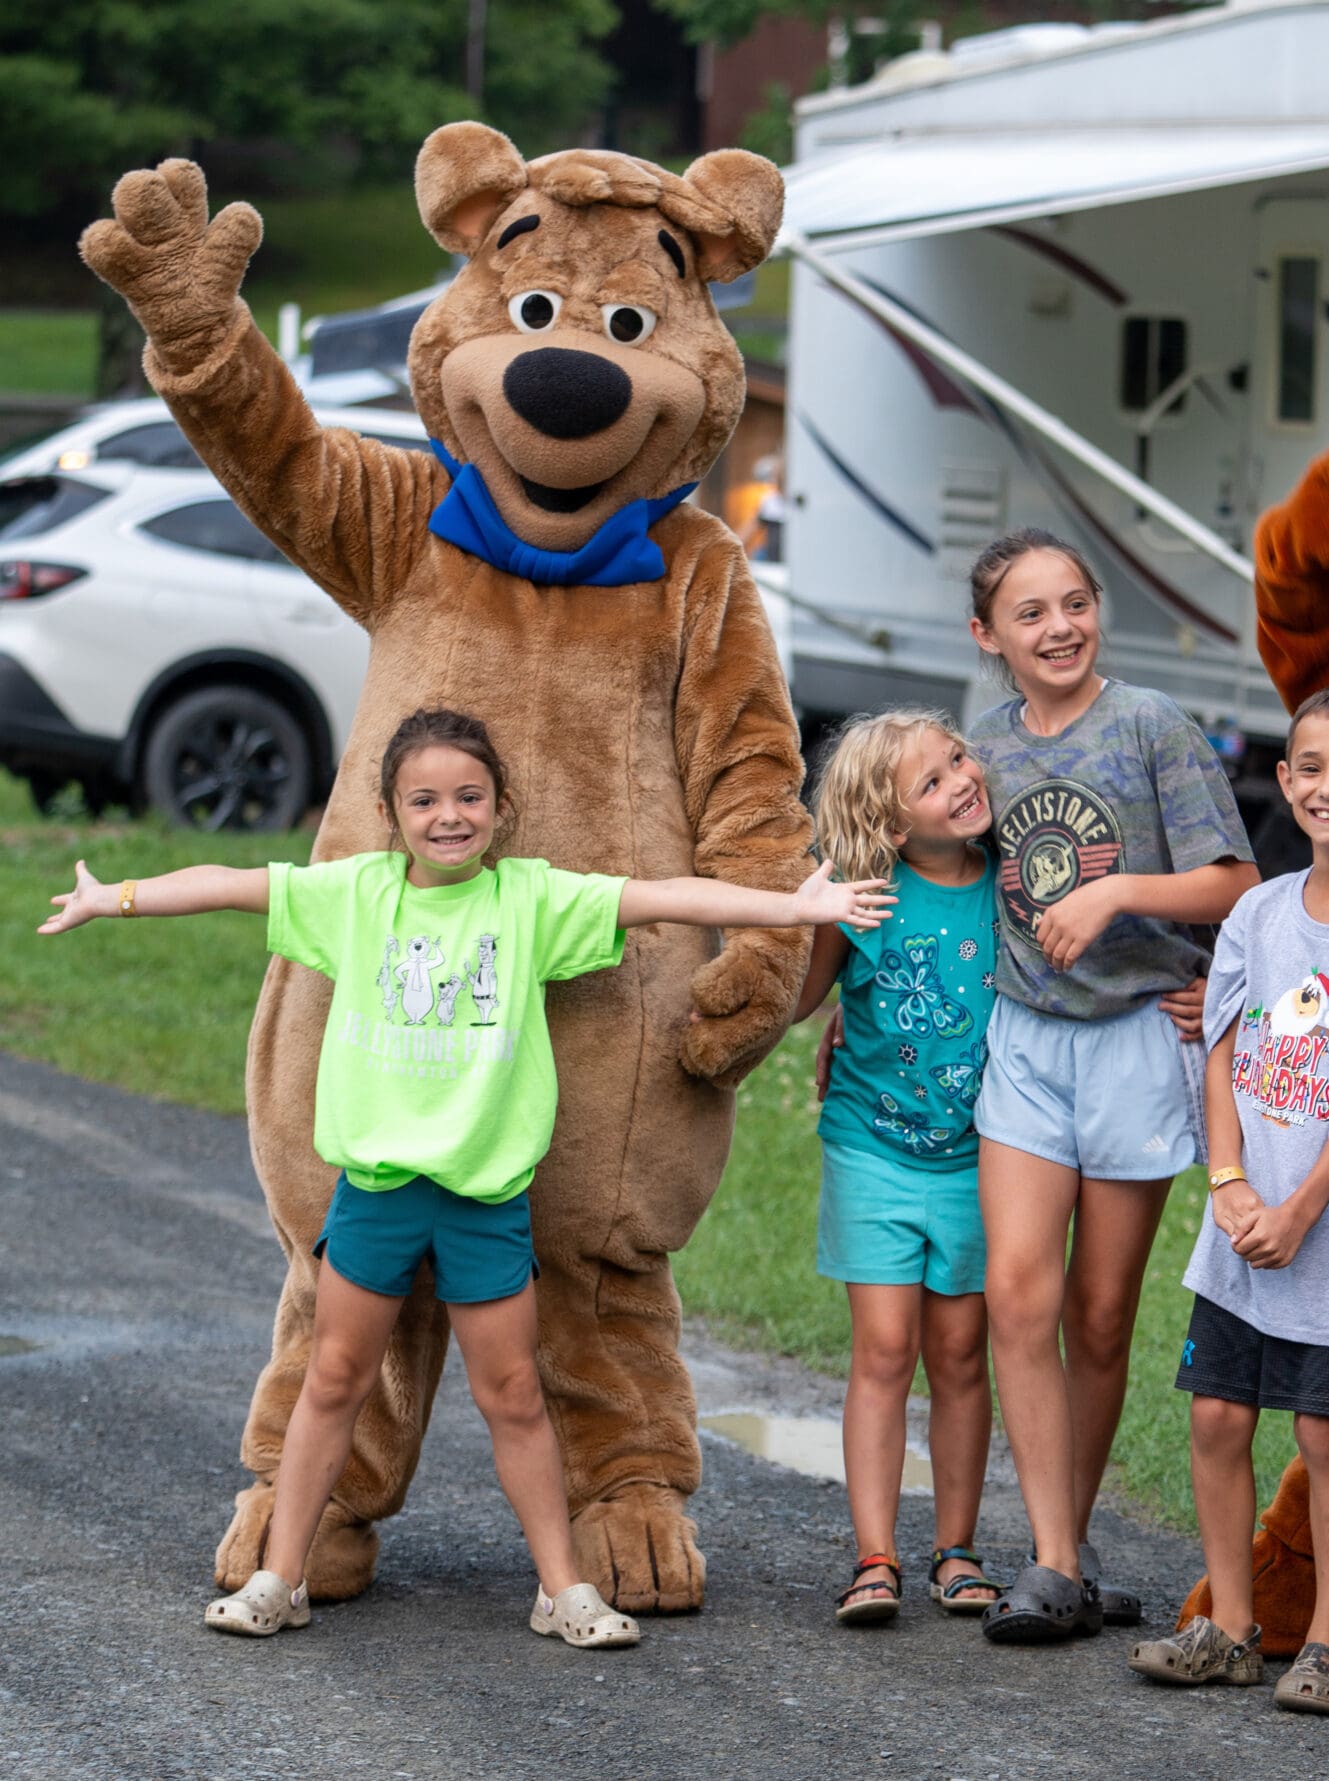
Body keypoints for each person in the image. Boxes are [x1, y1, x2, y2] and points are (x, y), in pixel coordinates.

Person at [39, 707, 891, 1648]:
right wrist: (113, 896)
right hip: (378, 1194)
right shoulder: (355, 894)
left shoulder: (529, 900)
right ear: (390, 813)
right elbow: (230, 884)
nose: (449, 815)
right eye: (425, 800)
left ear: (500, 806)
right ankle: (280, 1578)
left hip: (485, 1201)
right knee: (333, 1380)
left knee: (514, 1395)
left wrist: (796, 910)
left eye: (468, 797)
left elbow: (662, 896)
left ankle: (562, 1591)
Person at [964, 528, 1261, 1642]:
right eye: (1031, 613)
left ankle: (1071, 1546)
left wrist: (1117, 893)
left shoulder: (1150, 725)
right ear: (987, 635)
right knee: (1017, 1293)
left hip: (1138, 1035)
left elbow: (1235, 882)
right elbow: (932, 869)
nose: (1060, 627)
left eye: (1075, 602)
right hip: (1027, 1038)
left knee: (1098, 1314)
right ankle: (1049, 1557)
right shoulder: (982, 749)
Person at [1129, 683, 1329, 1715]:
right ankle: (1229, 1626)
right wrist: (1227, 1182)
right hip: (1241, 1224)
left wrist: (1302, 1209)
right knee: (1218, 1414)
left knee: (1325, 1434)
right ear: (1282, 778)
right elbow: (1223, 1047)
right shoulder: (1258, 911)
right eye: (1309, 767)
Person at [791, 710, 1003, 1626]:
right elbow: (797, 998)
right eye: (932, 781)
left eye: (957, 758)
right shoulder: (865, 897)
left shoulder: (1012, 883)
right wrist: (803, 909)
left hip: (979, 1160)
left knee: (959, 1353)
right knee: (884, 1349)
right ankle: (875, 1555)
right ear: (887, 822)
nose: (961, 780)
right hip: (872, 1147)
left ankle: (956, 1548)